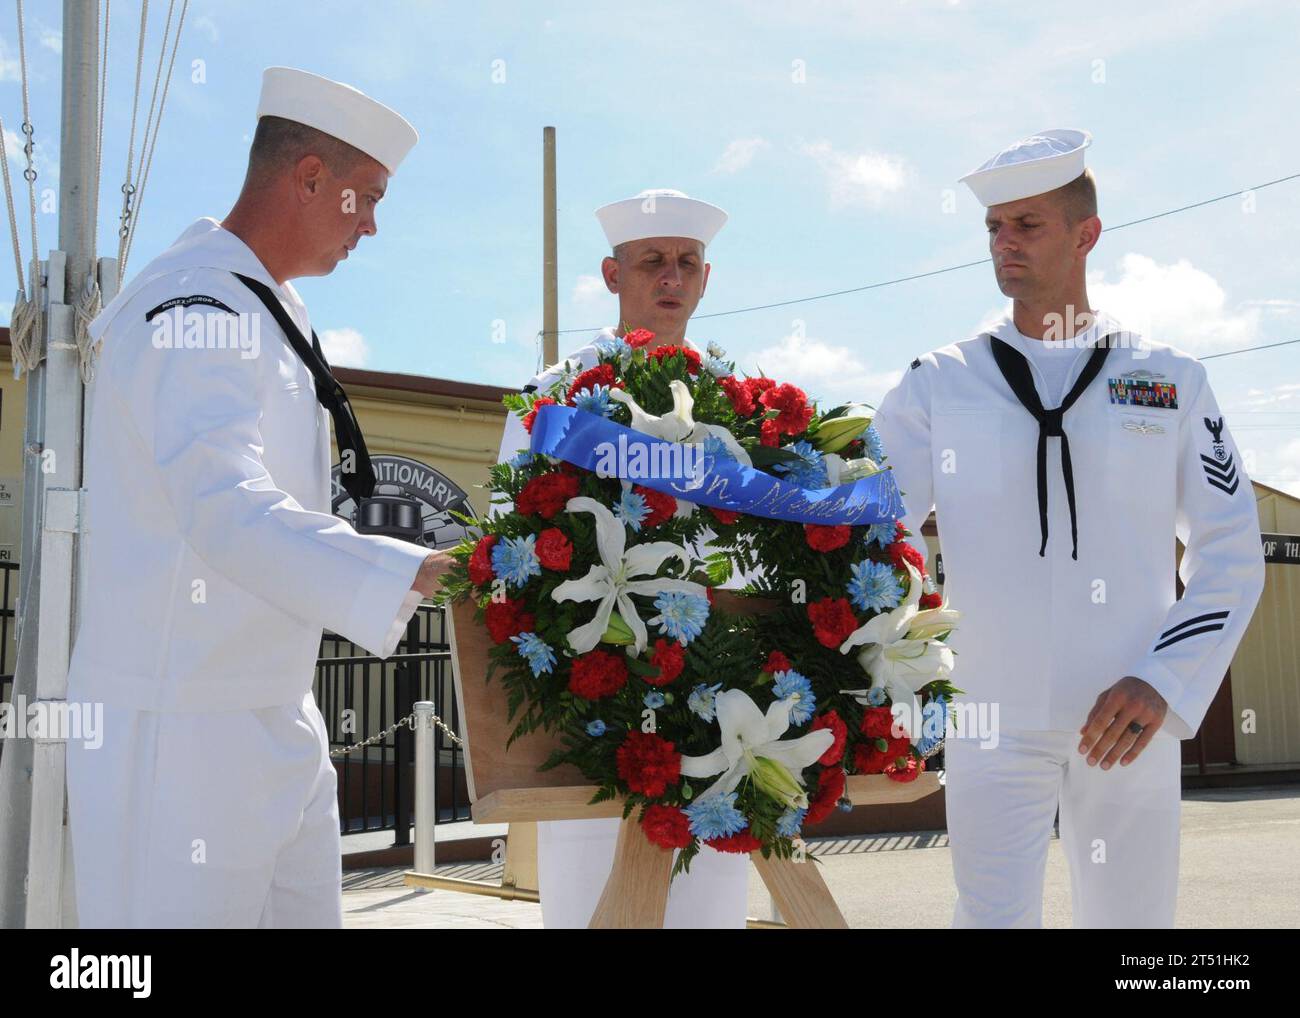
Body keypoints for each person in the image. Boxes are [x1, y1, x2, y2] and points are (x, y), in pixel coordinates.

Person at [66, 67, 454, 928]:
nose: (374, 226)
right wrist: (404, 570)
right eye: (367, 198)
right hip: (182, 737)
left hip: (276, 711)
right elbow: (221, 506)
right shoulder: (190, 305)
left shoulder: (272, 310)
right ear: (310, 176)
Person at [871, 129, 1266, 928]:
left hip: (1128, 714)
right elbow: (861, 533)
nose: (1003, 244)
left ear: (1086, 234)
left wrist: (1166, 680)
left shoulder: (1168, 378)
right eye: (993, 228)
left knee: (1134, 926)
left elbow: (1231, 551)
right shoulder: (941, 382)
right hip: (989, 713)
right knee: (988, 921)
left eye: (1027, 224)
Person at [495, 188, 750, 928]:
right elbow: (511, 542)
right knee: (590, 911)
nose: (670, 279)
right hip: (592, 707)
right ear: (612, 276)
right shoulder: (558, 395)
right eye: (651, 263)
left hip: (718, 709)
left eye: (686, 263)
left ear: (705, 279)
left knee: (709, 914)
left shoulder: (736, 402)